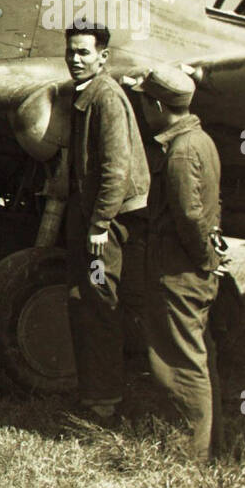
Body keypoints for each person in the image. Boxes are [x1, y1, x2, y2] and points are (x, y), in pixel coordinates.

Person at [132, 67, 224, 461]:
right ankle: (206, 443)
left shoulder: (181, 151)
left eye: (143, 100)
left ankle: (189, 454)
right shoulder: (199, 140)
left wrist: (204, 258)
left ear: (155, 104)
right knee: (197, 354)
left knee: (180, 363)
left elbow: (189, 215)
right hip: (190, 268)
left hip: (180, 271)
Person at [62, 23, 150, 423]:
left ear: (103, 57)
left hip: (107, 222)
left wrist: (99, 224)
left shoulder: (106, 97)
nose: (75, 59)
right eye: (71, 52)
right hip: (99, 216)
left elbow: (117, 168)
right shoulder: (90, 94)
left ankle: (104, 403)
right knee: (90, 300)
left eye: (83, 52)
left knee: (99, 303)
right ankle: (95, 393)